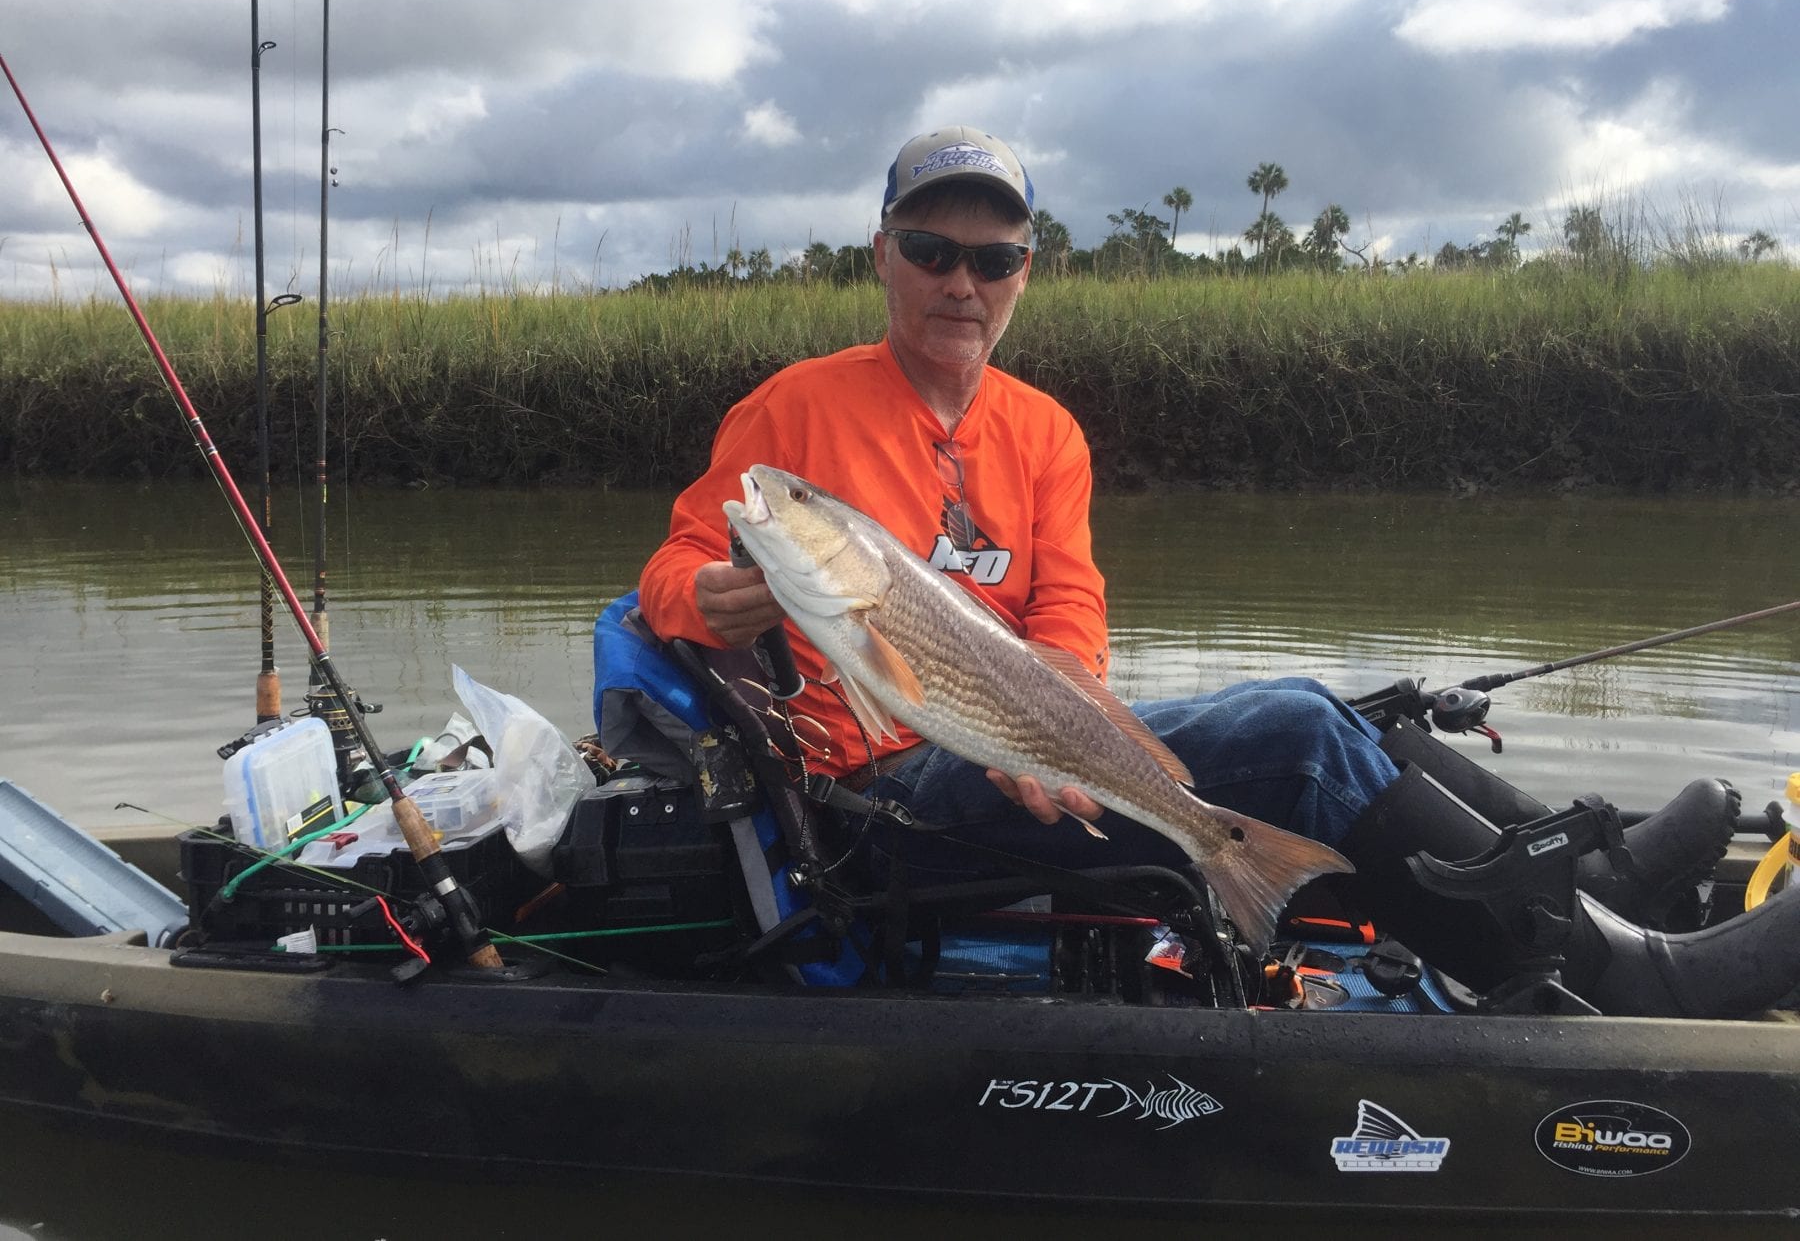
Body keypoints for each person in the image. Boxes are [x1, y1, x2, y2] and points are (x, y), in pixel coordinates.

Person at [639, 125, 1800, 1018]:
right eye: (933, 252)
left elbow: (1069, 610)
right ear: (883, 254)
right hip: (883, 798)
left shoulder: (1045, 431)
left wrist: (1060, 719)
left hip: (1015, 734)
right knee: (1294, 733)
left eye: (993, 260)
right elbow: (676, 566)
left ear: (1026, 272)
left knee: (1353, 718)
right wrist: (709, 596)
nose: (962, 284)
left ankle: (1598, 881)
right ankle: (1615, 978)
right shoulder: (792, 414)